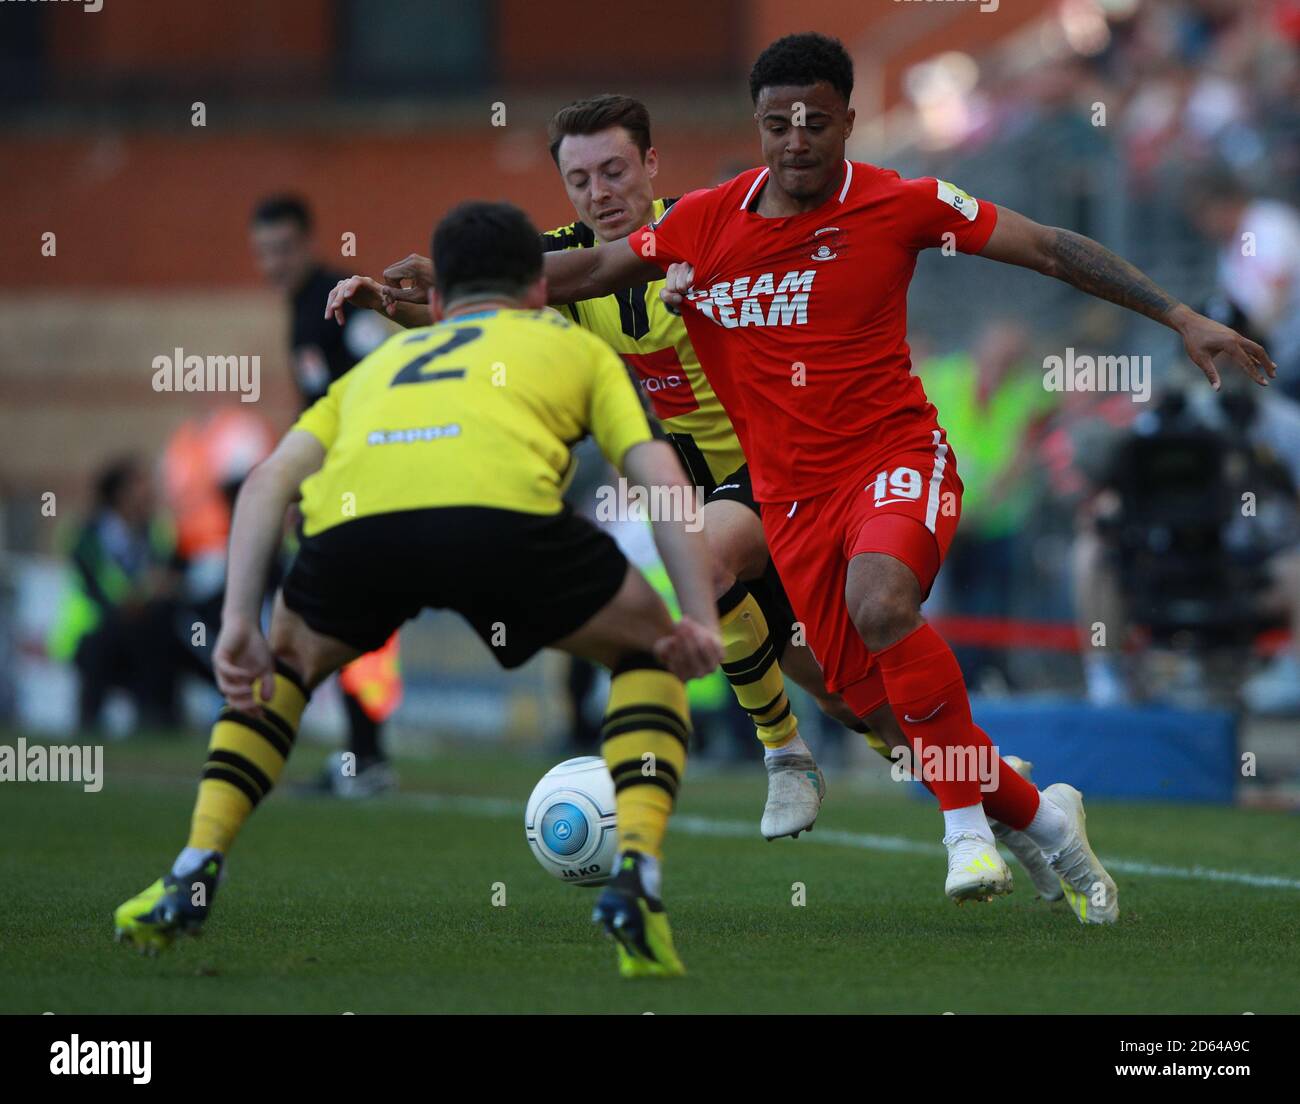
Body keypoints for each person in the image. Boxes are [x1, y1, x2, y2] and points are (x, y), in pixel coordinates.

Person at [385, 34, 1271, 922]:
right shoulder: (703, 222)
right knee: (889, 720)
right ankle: (1043, 816)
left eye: (816, 120)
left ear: (849, 118)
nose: (797, 139)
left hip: (895, 458)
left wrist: (1178, 314)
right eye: (778, 123)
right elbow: (585, 269)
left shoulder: (902, 202)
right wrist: (456, 289)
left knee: (879, 603)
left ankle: (949, 822)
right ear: (759, 127)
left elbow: (1045, 246)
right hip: (793, 502)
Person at [325, 97, 1066, 901]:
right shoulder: (566, 262)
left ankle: (783, 751)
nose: (600, 192)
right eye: (579, 179)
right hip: (700, 475)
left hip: (782, 463)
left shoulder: (712, 229)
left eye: (614, 170)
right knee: (866, 709)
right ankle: (1018, 813)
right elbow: (473, 313)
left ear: (650, 164)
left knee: (702, 563)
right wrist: (381, 303)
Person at [114, 201, 722, 979]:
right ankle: (636, 879)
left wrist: (242, 622)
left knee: (286, 674)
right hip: (500, 525)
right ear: (540, 290)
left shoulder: (374, 371)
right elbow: (655, 471)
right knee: (648, 653)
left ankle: (194, 867)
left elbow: (267, 482)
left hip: (359, 533)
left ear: (435, 305)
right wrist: (696, 614)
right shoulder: (568, 345)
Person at [249, 195, 399, 796]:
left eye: (284, 248)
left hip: (359, 485)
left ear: (308, 242)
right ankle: (363, 756)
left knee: (335, 615)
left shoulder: (333, 299)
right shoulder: (301, 308)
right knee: (339, 616)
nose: (274, 262)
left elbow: (384, 369)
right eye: (265, 252)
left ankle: (361, 757)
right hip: (335, 486)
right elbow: (318, 405)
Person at [48, 456, 186, 731]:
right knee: (119, 636)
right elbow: (101, 590)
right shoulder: (85, 534)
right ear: (120, 493)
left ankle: (159, 720)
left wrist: (157, 589)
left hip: (142, 628)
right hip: (92, 630)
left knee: (165, 630)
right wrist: (146, 591)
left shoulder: (158, 531)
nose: (149, 490)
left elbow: (172, 579)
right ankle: (91, 725)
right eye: (140, 483)